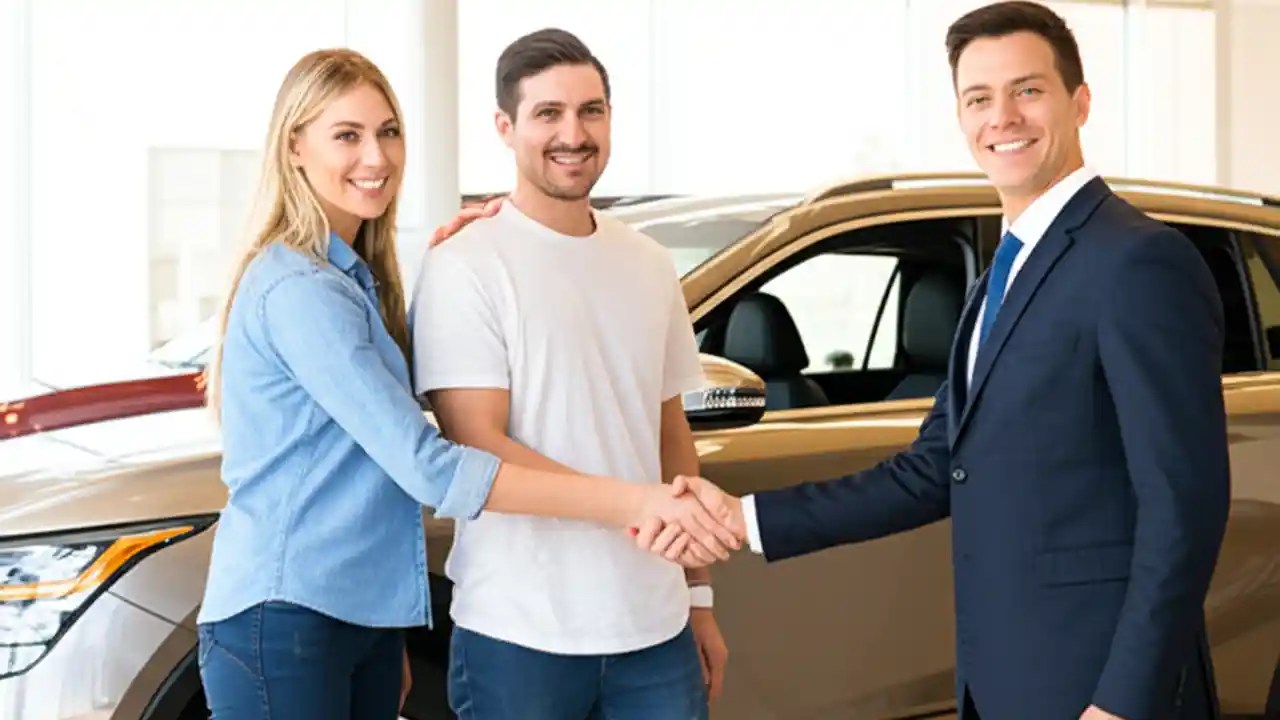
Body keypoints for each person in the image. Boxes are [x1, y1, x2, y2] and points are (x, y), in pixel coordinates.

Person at [642, 2, 1232, 719]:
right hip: (1004, 679)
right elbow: (933, 469)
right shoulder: (998, 278)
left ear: (1080, 102)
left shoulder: (1137, 261)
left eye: (1028, 90)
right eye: (979, 98)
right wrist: (743, 519)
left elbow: (1183, 510)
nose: (1002, 117)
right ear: (960, 117)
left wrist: (1121, 703)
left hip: (1097, 689)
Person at [197, 47, 737, 720]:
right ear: (294, 147)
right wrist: (638, 502)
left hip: (352, 612)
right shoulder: (298, 289)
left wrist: (382, 625)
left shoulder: (354, 281)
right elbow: (432, 468)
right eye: (348, 135)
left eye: (388, 132)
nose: (377, 156)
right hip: (285, 615)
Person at [411, 28, 739, 720]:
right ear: (505, 127)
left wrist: (698, 594)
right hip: (520, 633)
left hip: (656, 629)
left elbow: (667, 429)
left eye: (591, 110)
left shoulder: (648, 263)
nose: (573, 132)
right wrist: (636, 505)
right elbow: (477, 447)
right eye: (548, 113)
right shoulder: (466, 264)